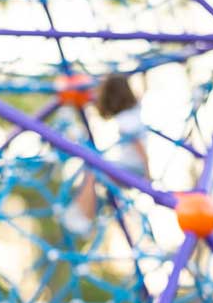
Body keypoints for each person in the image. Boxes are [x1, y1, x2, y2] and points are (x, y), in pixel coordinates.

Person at [64, 72, 153, 237]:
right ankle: (84, 213)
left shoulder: (125, 121)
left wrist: (148, 177)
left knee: (93, 170)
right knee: (95, 173)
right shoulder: (135, 111)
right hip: (131, 168)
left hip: (132, 169)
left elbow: (140, 149)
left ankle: (84, 217)